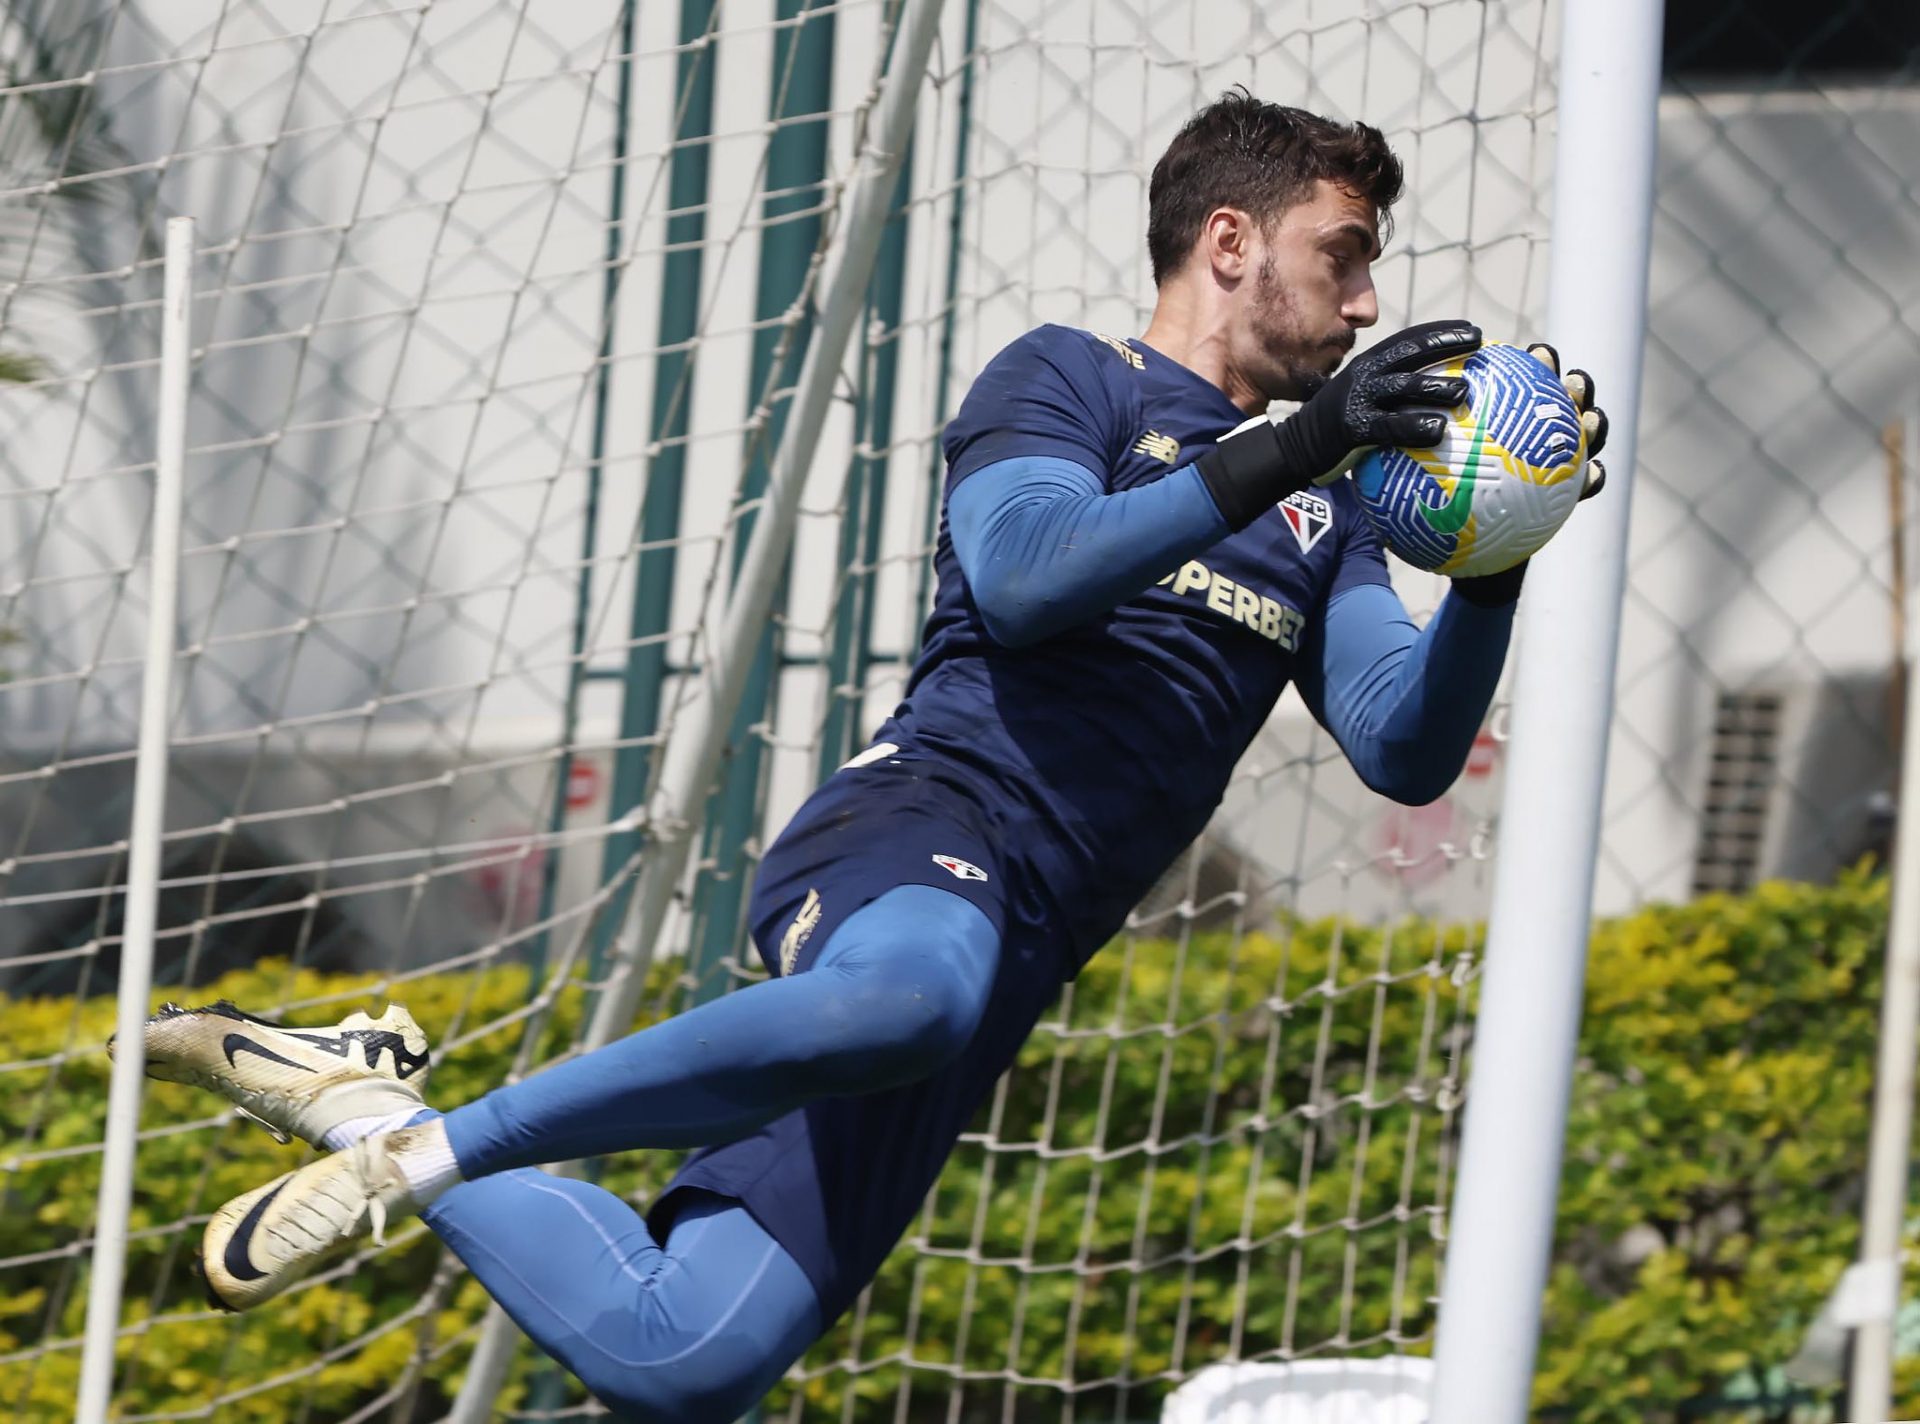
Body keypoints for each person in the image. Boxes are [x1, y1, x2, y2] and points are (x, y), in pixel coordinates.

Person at [121, 89, 1607, 1422]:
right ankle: (443, 1153)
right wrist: (1292, 445)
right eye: (1344, 254)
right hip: (918, 834)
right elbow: (1024, 576)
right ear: (1231, 241)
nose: (1367, 303)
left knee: (684, 1354)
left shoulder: (1328, 517)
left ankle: (372, 1106)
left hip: (1011, 962)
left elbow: (1401, 747)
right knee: (909, 993)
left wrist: (1495, 560)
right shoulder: (1070, 378)